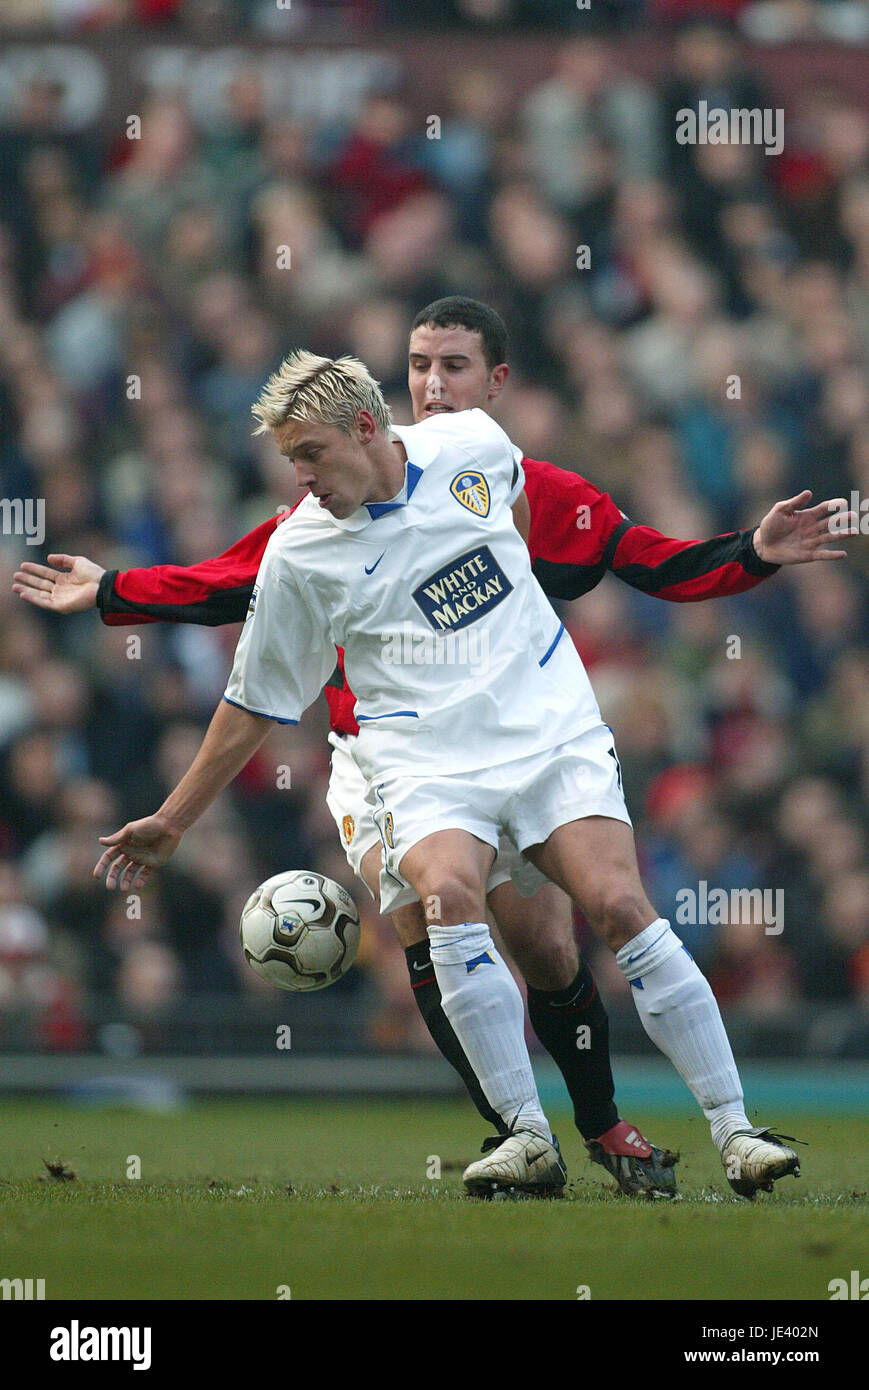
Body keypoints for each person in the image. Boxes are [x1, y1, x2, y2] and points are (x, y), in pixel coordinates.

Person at [16, 298, 852, 1197]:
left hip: (545, 730)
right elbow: (250, 691)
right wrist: (169, 803)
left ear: (374, 425)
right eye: (419, 362)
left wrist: (748, 555)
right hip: (415, 759)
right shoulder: (303, 546)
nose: (298, 477)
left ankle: (733, 1133)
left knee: (606, 911)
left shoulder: (481, 450)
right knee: (442, 899)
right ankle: (524, 1133)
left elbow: (615, 548)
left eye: (308, 455)